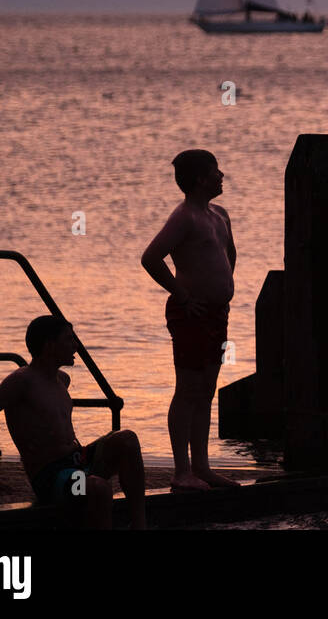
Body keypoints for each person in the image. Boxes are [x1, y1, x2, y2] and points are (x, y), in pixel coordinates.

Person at [0, 315, 147, 528]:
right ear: (49, 346)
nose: (76, 346)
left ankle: (140, 526)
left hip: (79, 461)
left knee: (127, 439)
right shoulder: (22, 381)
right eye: (69, 340)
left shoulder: (62, 379)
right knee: (96, 488)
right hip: (52, 477)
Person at [140, 149, 239, 491]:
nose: (221, 175)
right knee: (188, 389)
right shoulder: (184, 217)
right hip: (191, 313)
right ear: (200, 179)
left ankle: (202, 466)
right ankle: (182, 472)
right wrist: (182, 295)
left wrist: (221, 292)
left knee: (207, 390)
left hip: (215, 313)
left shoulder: (219, 215)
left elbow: (229, 255)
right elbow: (151, 257)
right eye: (215, 171)